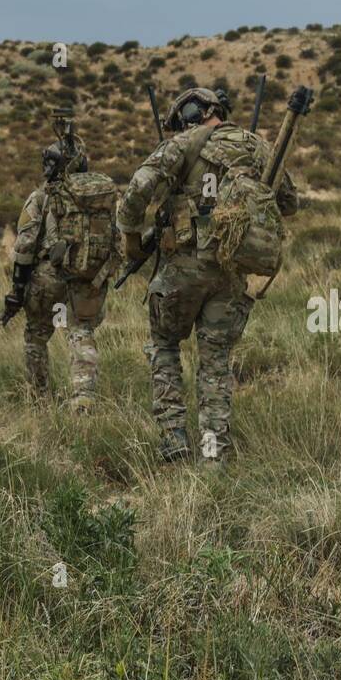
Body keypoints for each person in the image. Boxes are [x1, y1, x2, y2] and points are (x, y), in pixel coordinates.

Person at [117, 88, 298, 464]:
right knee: (215, 361)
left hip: (183, 268)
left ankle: (174, 438)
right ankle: (214, 455)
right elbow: (289, 204)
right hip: (230, 272)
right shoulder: (256, 146)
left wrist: (132, 242)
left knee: (165, 345)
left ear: (188, 116)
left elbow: (135, 191)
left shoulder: (180, 145)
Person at [3, 138, 118, 413]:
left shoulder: (41, 197)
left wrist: (17, 292)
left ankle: (39, 400)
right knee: (81, 334)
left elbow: (24, 247)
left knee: (36, 337)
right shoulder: (98, 198)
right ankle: (83, 397)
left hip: (48, 280)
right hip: (86, 280)